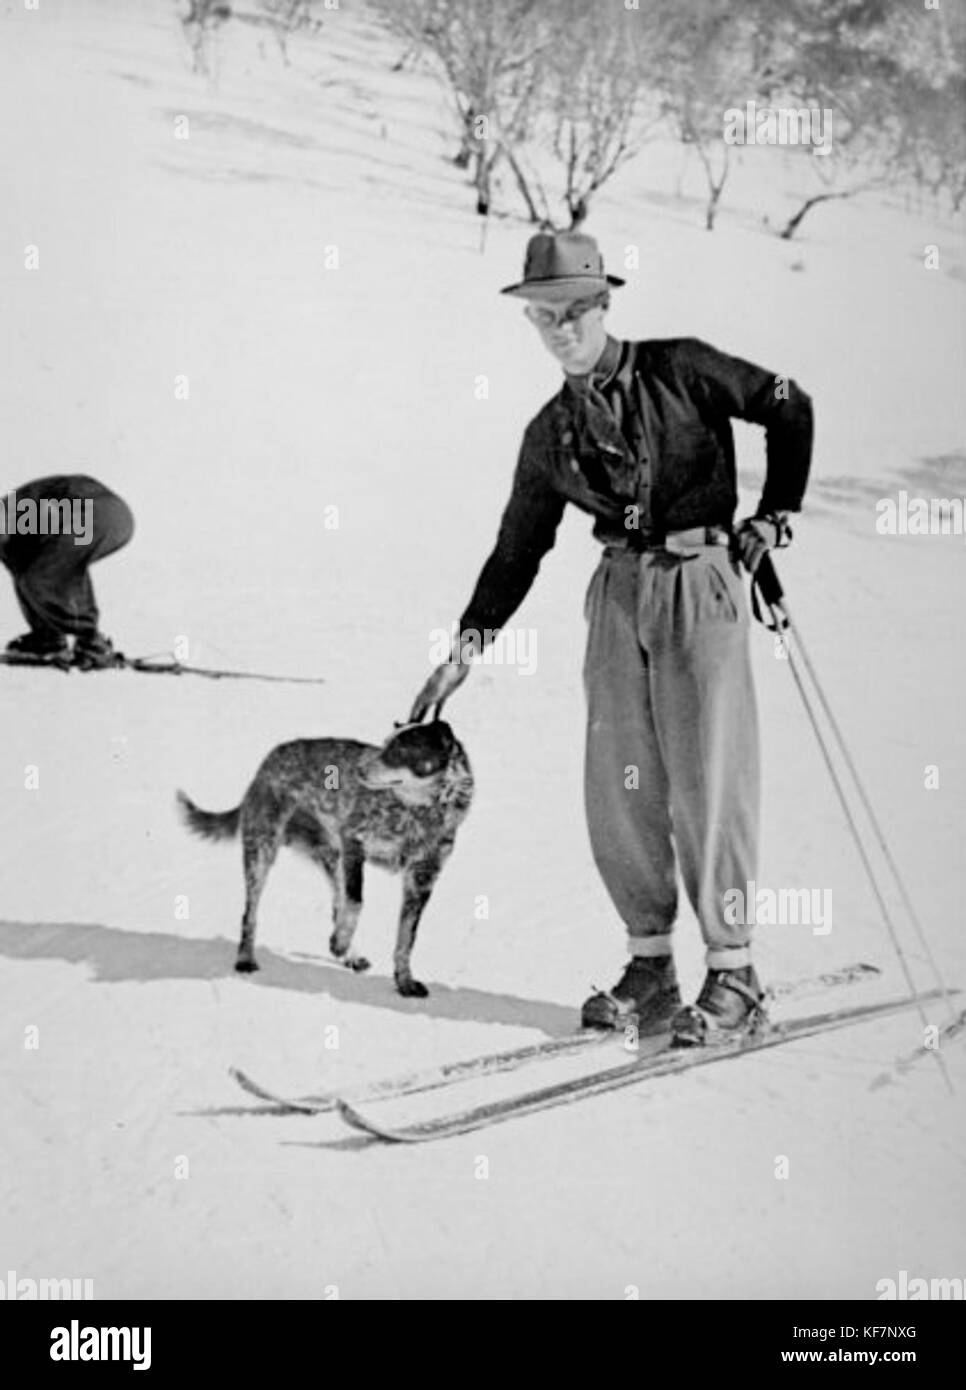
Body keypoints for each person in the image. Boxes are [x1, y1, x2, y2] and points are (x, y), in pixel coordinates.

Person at [409, 231, 813, 1046]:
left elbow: (787, 403)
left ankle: (734, 974)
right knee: (619, 783)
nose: (560, 330)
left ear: (602, 305)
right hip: (617, 594)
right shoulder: (550, 431)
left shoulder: (682, 368)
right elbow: (518, 548)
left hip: (699, 583)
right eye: (542, 316)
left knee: (708, 779)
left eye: (572, 311)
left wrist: (775, 515)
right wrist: (464, 649)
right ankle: (651, 968)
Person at [0, 474, 134, 669]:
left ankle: (91, 641)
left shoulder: (10, 513)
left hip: (96, 510)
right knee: (37, 569)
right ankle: (48, 637)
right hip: (103, 510)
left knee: (44, 572)